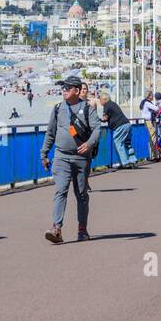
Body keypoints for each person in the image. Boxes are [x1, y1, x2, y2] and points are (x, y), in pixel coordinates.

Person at [41, 76, 100, 243]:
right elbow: (50, 132)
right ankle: (57, 228)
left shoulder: (88, 109)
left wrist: (89, 144)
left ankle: (82, 229)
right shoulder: (58, 108)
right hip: (61, 156)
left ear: (77, 90)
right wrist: (44, 153)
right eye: (63, 87)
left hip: (81, 158)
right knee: (60, 190)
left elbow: (97, 129)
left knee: (81, 194)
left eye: (68, 87)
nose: (64, 90)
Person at [98, 92, 136, 168]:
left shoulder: (107, 105)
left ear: (104, 99)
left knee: (118, 143)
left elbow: (105, 118)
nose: (99, 101)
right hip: (127, 124)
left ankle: (125, 163)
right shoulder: (113, 103)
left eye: (100, 100)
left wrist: (99, 119)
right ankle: (133, 160)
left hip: (120, 126)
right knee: (127, 143)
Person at [140, 91, 160, 161]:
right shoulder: (147, 103)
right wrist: (157, 106)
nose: (153, 97)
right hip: (150, 122)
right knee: (153, 138)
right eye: (151, 95)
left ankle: (152, 155)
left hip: (146, 121)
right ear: (149, 96)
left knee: (151, 138)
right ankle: (155, 156)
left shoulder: (143, 102)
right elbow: (157, 109)